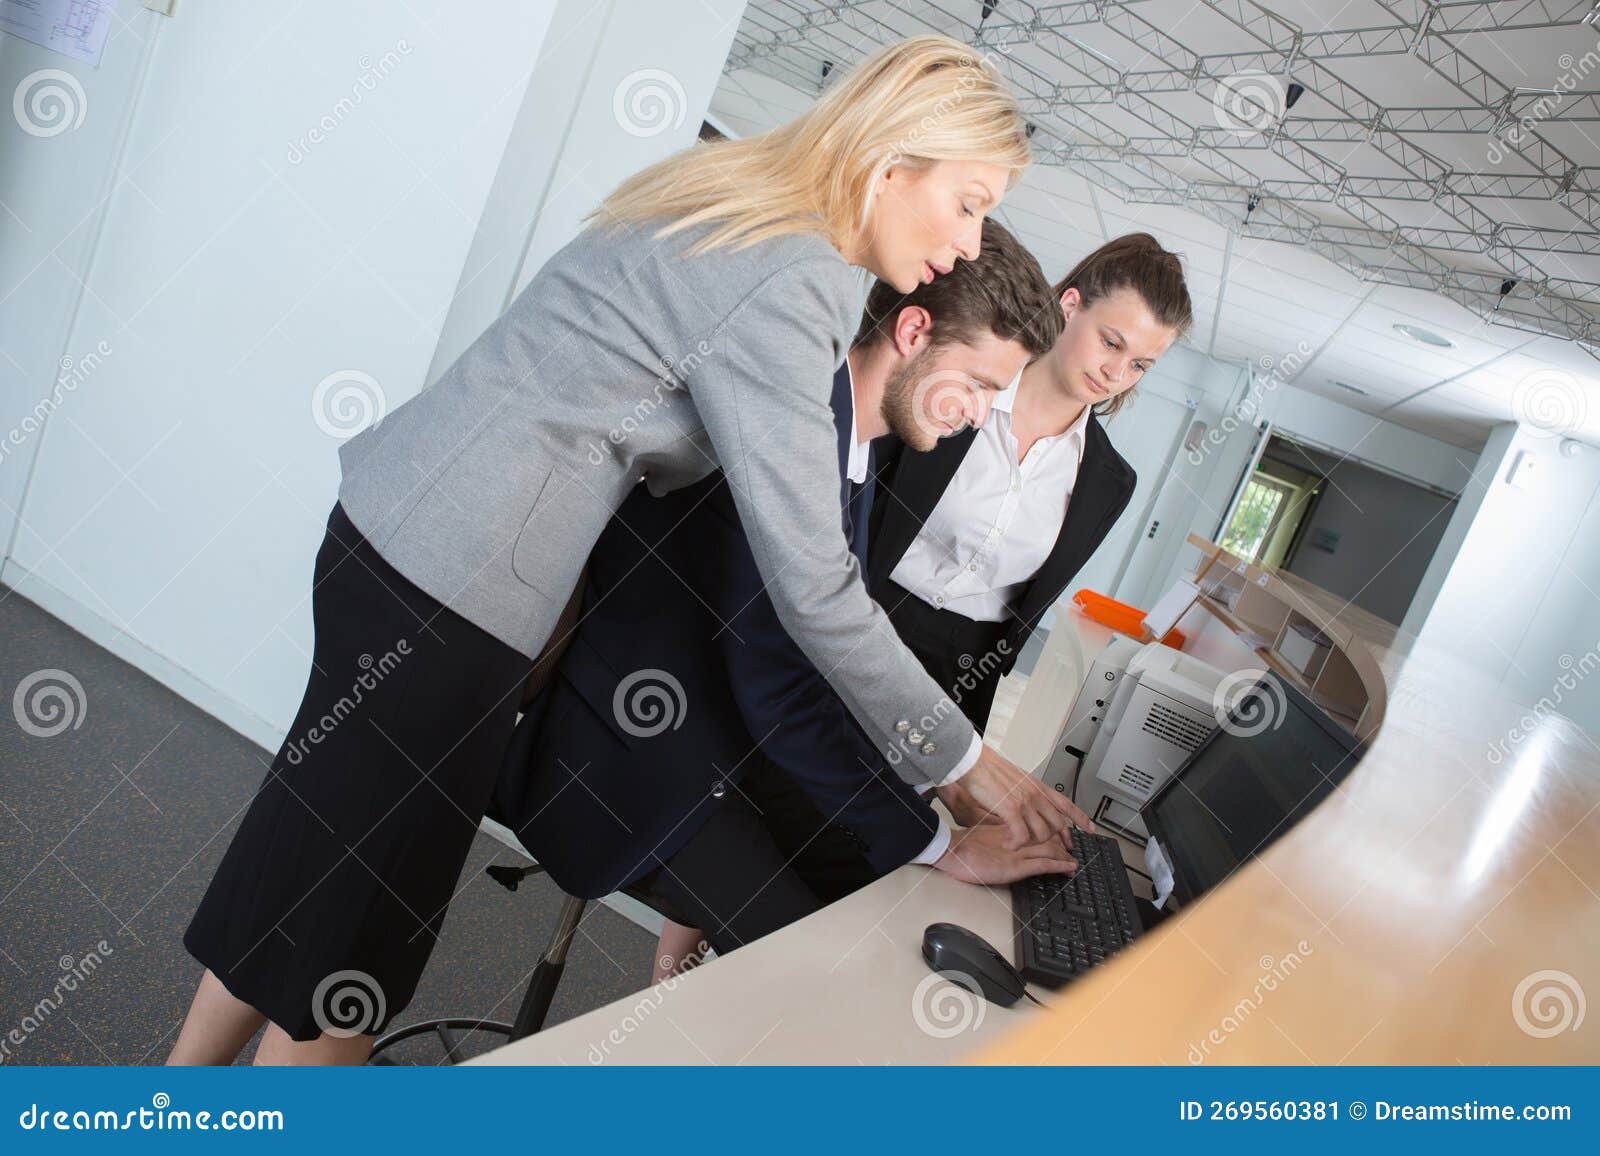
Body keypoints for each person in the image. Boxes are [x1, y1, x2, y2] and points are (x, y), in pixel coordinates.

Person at [168, 35, 1073, 1067]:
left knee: (309, 861)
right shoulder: (800, 278)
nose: (968, 241)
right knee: (356, 936)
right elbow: (814, 588)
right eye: (968, 200)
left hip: (394, 538)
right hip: (455, 594)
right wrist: (971, 767)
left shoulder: (730, 195)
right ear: (894, 160)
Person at [490, 220, 1083, 971]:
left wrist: (931, 821)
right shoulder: (795, 429)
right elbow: (782, 684)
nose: (977, 413)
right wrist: (940, 839)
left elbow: (813, 675)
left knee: (881, 896)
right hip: (623, 761)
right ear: (912, 331)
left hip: (717, 752)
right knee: (830, 968)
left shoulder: (854, 447)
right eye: (979, 384)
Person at [647, 232, 1194, 973]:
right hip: (862, 617)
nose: (1115, 370)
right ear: (1071, 306)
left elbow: (1017, 611)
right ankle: (683, 956)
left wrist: (965, 751)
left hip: (955, 669)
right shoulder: (953, 387)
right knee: (772, 799)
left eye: (1139, 364)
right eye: (1111, 341)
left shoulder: (1109, 480)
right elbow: (851, 513)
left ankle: (754, 984)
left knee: (860, 860)